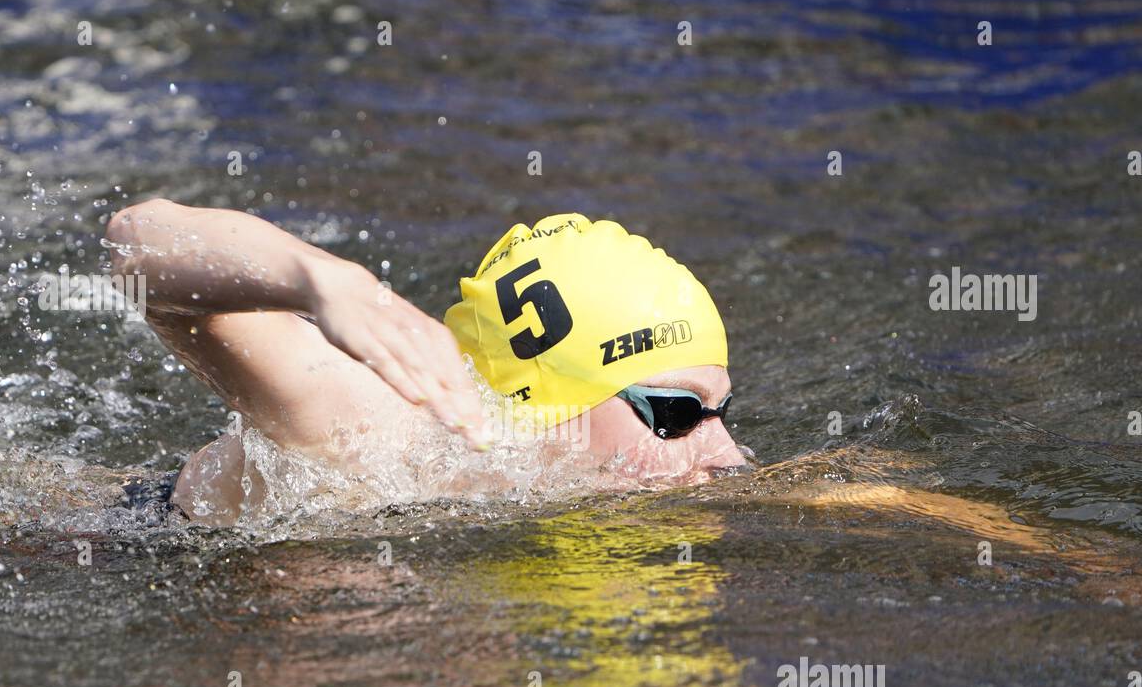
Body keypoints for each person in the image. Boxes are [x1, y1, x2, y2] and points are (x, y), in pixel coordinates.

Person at [105, 202, 746, 523]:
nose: (729, 456)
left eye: (719, 413)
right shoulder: (375, 428)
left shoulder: (554, 484)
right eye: (676, 414)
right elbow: (135, 240)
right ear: (548, 398)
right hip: (120, 549)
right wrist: (319, 280)